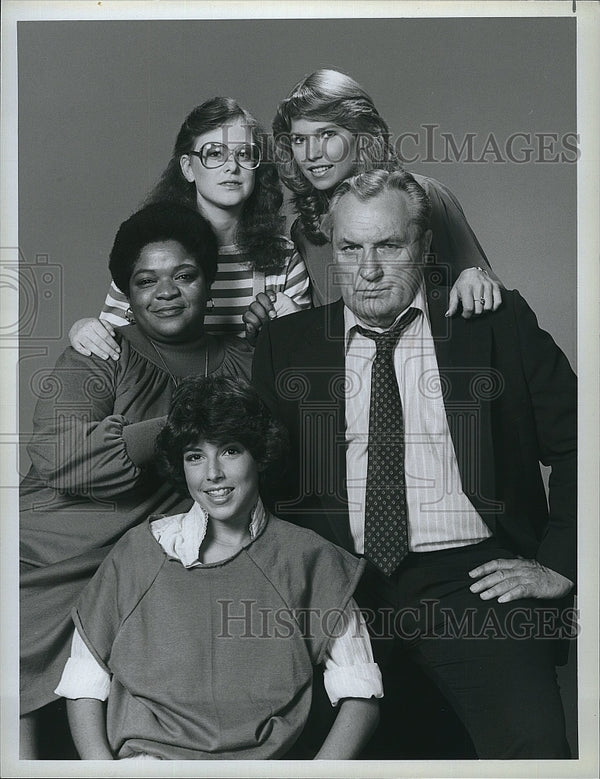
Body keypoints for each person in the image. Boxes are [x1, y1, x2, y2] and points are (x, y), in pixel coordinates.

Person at [252, 169, 576, 759]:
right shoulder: (287, 345)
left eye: (389, 246)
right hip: (344, 586)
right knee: (290, 746)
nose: (369, 269)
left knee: (534, 749)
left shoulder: (493, 323)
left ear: (425, 246)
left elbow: (585, 441)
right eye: (350, 248)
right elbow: (261, 478)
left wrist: (560, 563)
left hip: (473, 583)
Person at [20, 203, 254, 758]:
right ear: (127, 291)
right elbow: (61, 456)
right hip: (52, 544)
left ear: (208, 281)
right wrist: (180, 425)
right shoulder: (101, 351)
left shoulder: (246, 362)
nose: (166, 292)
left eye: (184, 275)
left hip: (151, 555)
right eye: (146, 281)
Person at [54, 376, 382, 760]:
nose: (212, 473)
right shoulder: (138, 552)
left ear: (259, 455)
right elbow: (83, 682)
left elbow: (361, 694)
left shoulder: (310, 559)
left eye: (229, 451)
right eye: (195, 456)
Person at [243, 68, 503, 343]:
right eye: (299, 140)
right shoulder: (305, 229)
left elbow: (488, 296)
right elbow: (335, 330)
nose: (311, 154)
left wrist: (475, 275)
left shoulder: (424, 195)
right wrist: (291, 319)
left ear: (362, 135)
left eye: (327, 134)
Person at [68, 96, 311, 359]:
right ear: (187, 168)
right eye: (215, 154)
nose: (232, 166)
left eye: (244, 154)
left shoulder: (284, 258)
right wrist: (83, 330)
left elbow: (304, 360)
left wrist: (292, 328)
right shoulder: (147, 250)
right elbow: (110, 341)